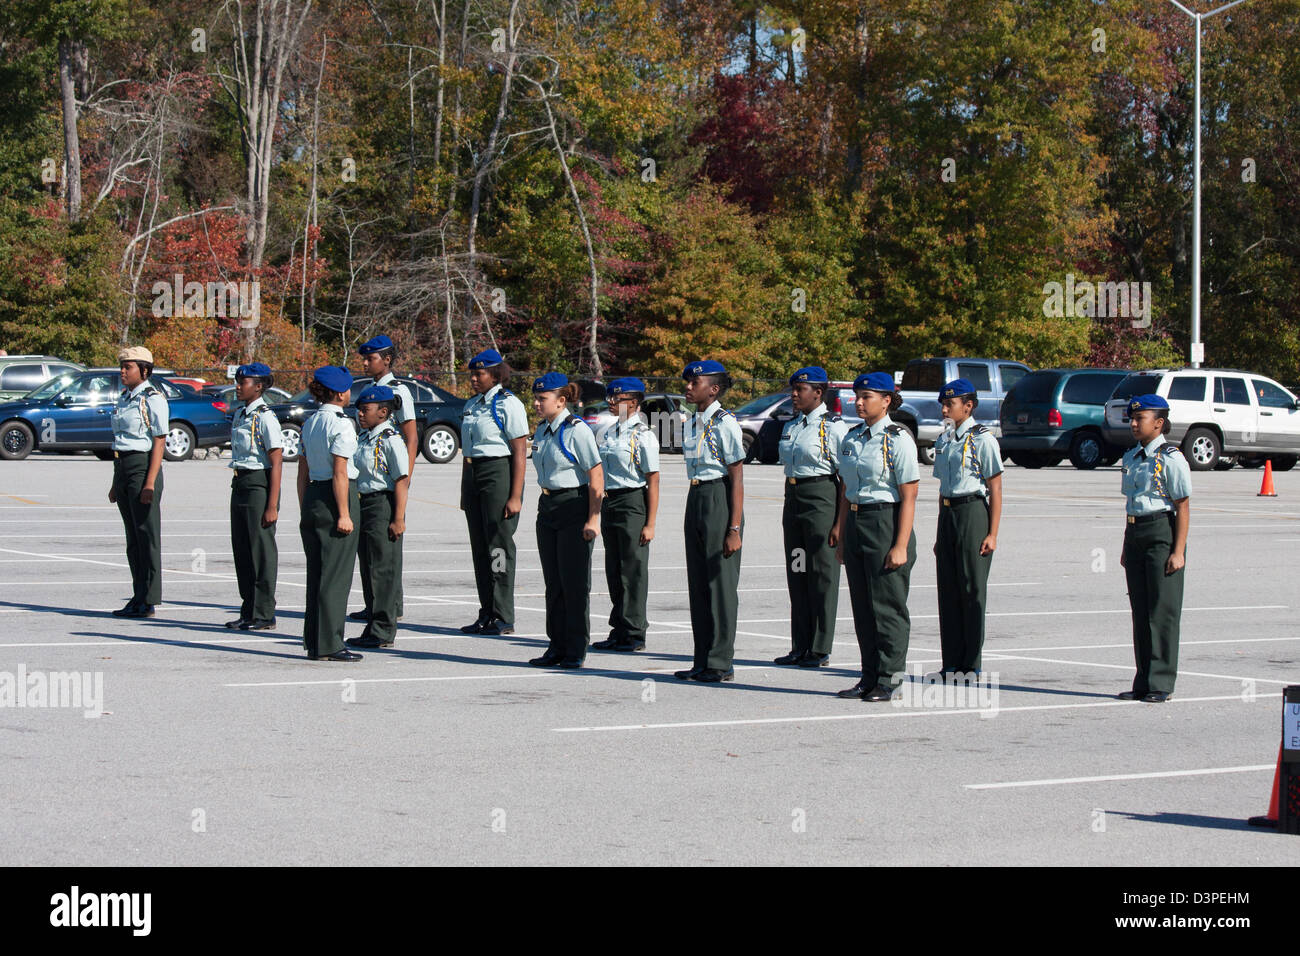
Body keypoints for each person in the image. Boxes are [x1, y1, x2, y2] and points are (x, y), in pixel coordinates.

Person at [833, 373, 919, 701]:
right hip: (856, 521)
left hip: (885, 520)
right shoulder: (853, 437)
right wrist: (841, 533)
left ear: (886, 400)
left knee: (887, 606)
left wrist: (900, 544)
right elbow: (845, 488)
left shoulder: (898, 439)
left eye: (866, 396)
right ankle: (868, 676)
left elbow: (909, 494)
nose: (858, 401)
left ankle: (890, 678)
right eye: (857, 395)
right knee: (863, 606)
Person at [1118, 394, 1191, 703]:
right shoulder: (1132, 457)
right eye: (1132, 419)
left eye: (1140, 419)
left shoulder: (1171, 458)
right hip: (1135, 532)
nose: (1134, 423)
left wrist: (1178, 551)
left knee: (1162, 610)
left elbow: (1183, 506)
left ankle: (1161, 682)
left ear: (1159, 423)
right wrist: (1126, 544)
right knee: (1141, 610)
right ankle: (1143, 680)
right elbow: (1130, 504)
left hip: (1161, 530)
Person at [528, 373, 603, 668]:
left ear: (561, 401)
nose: (535, 403)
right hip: (548, 506)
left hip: (574, 505)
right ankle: (555, 646)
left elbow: (596, 476)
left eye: (541, 399)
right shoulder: (543, 430)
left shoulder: (577, 430)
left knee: (574, 583)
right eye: (535, 398)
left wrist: (593, 518)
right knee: (554, 583)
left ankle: (574, 649)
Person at [676, 360, 745, 683]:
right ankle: (701, 658)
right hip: (697, 497)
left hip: (719, 497)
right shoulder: (692, 421)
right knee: (699, 585)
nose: (688, 387)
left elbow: (736, 476)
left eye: (695, 382)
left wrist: (733, 527)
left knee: (719, 585)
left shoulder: (725, 422)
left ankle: (720, 661)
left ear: (714, 389)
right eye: (687, 382)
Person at [774, 366, 848, 668]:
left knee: (822, 576)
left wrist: (839, 524)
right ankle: (799, 644)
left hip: (821, 499)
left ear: (818, 393)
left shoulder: (833, 428)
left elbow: (845, 478)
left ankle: (819, 647)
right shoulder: (792, 425)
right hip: (794, 501)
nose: (793, 394)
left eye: (800, 389)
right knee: (798, 570)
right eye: (793, 389)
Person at [931, 378, 1003, 681]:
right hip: (948, 513)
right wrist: (939, 529)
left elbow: (995, 487)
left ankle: (971, 663)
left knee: (972, 590)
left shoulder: (982, 439)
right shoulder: (945, 439)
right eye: (943, 404)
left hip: (973, 512)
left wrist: (992, 533)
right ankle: (951, 661)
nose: (945, 409)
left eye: (950, 404)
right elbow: (942, 488)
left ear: (968, 406)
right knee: (948, 590)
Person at [459, 349, 529, 635]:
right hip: (473, 473)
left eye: (480, 374)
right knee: (479, 547)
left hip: (497, 473)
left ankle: (503, 614)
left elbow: (520, 452)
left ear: (496, 374)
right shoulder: (473, 405)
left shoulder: (508, 404)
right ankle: (486, 610)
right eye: (472, 374)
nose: (474, 379)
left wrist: (515, 495)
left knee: (498, 546)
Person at [351, 335, 417, 624]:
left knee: (387, 549)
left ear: (387, 360)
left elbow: (411, 435)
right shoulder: (371, 390)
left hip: (390, 474)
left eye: (371, 358)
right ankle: (374, 603)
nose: (365, 363)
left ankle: (391, 605)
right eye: (364, 358)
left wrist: (406, 476)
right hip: (370, 474)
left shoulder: (398, 391)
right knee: (369, 553)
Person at [298, 366, 362, 662]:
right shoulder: (341, 424)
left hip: (313, 495)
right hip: (336, 495)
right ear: (340, 393)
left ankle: (315, 641)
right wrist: (344, 513)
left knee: (317, 574)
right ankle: (331, 643)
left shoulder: (310, 423)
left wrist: (305, 506)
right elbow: (340, 471)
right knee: (335, 576)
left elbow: (302, 471)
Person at [592, 377, 660, 652]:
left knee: (632, 570)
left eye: (617, 398)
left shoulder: (643, 434)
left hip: (632, 502)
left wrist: (650, 523)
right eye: (609, 396)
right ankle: (619, 627)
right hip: (611, 502)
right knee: (615, 569)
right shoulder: (610, 432)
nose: (610, 401)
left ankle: (634, 632)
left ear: (633, 403)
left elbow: (653, 480)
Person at [346, 385, 411, 649]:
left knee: (383, 569)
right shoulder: (366, 436)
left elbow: (401, 480)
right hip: (363, 504)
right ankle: (372, 623)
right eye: (359, 409)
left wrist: (398, 518)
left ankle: (383, 629)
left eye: (366, 409)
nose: (360, 414)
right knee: (368, 568)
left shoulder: (391, 439)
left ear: (383, 412)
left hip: (382, 504)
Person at [108, 346, 168, 618]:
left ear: (144, 370)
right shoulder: (125, 398)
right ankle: (138, 594)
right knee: (133, 539)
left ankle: (149, 599)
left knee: (146, 536)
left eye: (128, 367)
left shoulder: (152, 398)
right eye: (122, 366)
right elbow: (120, 440)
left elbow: (159, 440)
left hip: (142, 466)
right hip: (124, 466)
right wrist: (115, 481)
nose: (122, 371)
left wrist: (150, 483)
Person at [225, 363, 284, 631]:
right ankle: (248, 608)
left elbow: (276, 461)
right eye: (238, 381)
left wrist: (272, 504)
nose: (238, 386)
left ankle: (263, 613)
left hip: (260, 485)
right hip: (240, 483)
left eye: (244, 382)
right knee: (243, 551)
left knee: (261, 552)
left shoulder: (265, 417)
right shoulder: (241, 414)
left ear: (259, 386)